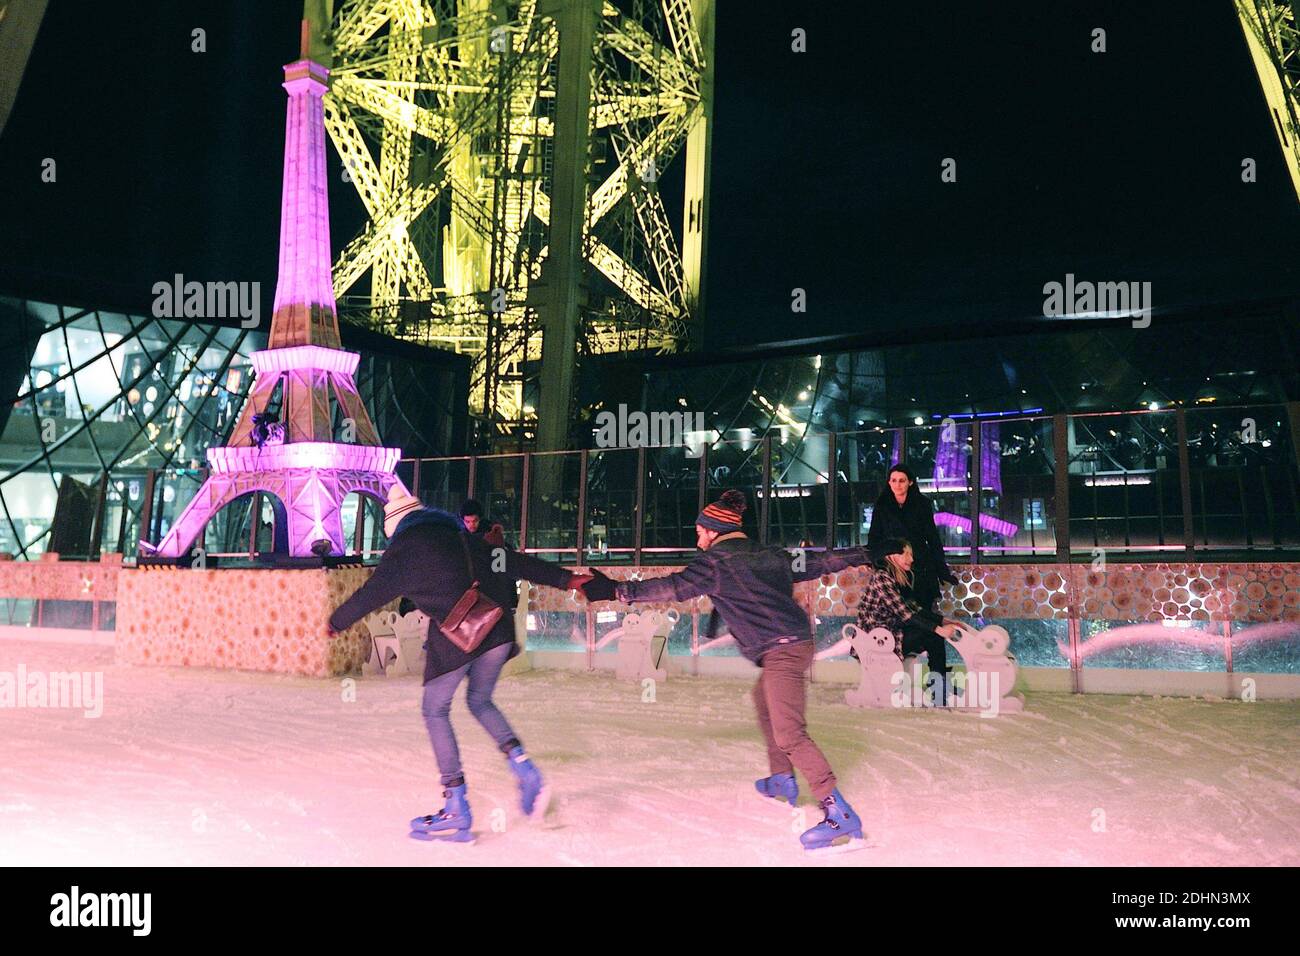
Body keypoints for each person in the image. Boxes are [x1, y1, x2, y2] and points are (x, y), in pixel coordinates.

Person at [579, 489, 875, 852]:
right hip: (794, 643)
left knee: (790, 733)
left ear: (716, 530)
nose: (698, 537)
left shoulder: (716, 562)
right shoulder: (768, 553)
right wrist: (863, 553)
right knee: (762, 700)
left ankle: (838, 813)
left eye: (701, 531)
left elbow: (673, 587)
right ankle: (782, 778)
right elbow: (819, 562)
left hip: (781, 649)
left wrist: (616, 589)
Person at [329, 485, 590, 842]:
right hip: (497, 628)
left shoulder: (403, 551)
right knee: (479, 701)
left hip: (462, 637)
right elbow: (508, 561)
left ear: (395, 528)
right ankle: (526, 770)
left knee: (435, 709)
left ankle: (456, 806)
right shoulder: (463, 537)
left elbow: (369, 595)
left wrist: (334, 622)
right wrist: (566, 579)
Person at [855, 537, 962, 706]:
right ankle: (939, 687)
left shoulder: (897, 577)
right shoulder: (882, 579)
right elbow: (905, 614)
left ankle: (939, 685)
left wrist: (943, 621)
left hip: (892, 635)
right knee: (932, 636)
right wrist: (938, 629)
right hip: (878, 643)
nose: (911, 559)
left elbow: (914, 608)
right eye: (905, 554)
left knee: (933, 635)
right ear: (891, 556)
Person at [866, 463, 958, 613]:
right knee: (898, 607)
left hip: (919, 561)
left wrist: (941, 567)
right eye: (893, 480)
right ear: (889, 482)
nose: (897, 484)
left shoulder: (922, 504)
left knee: (922, 605)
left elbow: (932, 537)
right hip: (893, 563)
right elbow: (875, 534)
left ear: (910, 482)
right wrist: (870, 559)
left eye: (901, 480)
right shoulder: (882, 505)